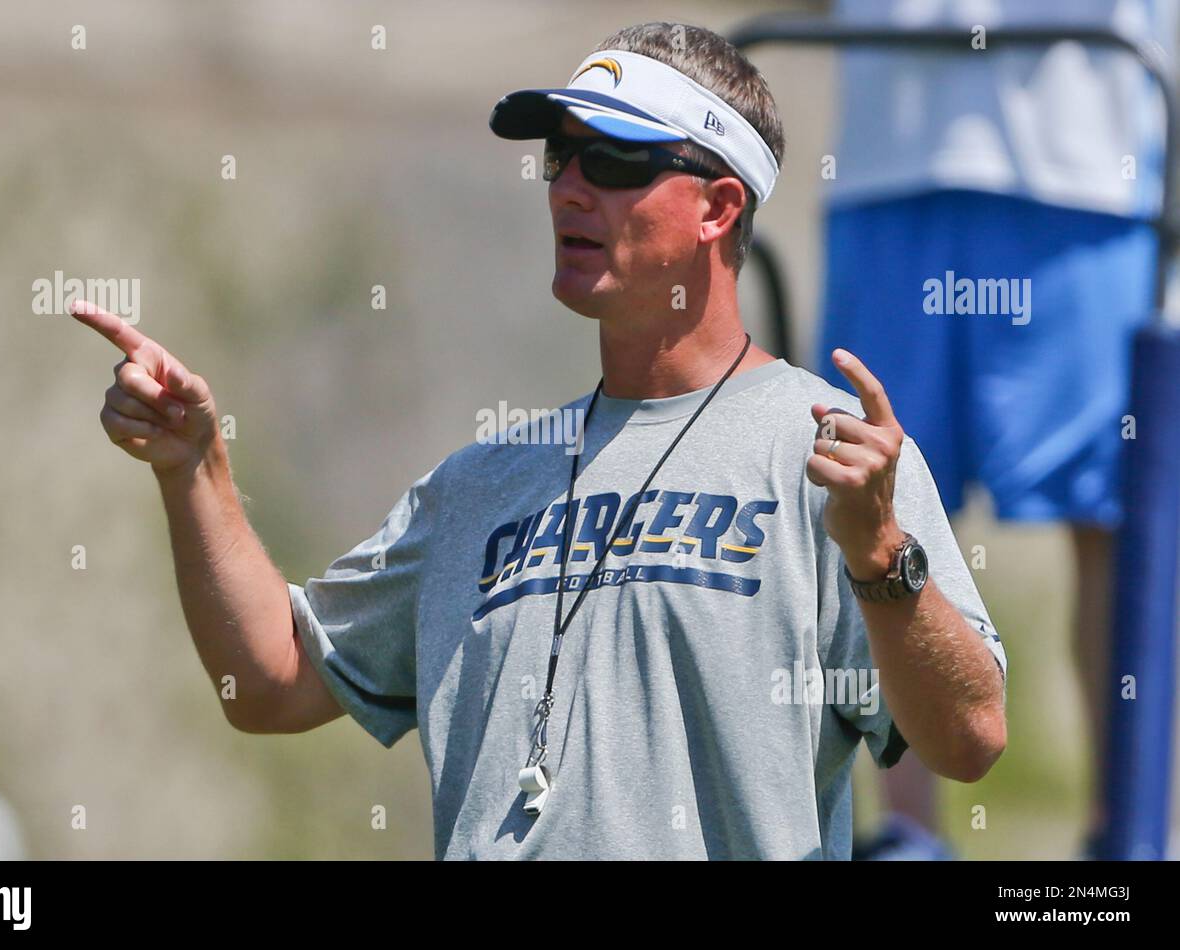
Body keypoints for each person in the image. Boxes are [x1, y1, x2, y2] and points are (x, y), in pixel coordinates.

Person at [71, 21, 1007, 860]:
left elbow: (968, 739)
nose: (567, 187)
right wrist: (194, 469)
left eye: (613, 162)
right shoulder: (478, 483)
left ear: (719, 208)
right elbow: (268, 684)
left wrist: (881, 553)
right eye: (560, 158)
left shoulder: (833, 459)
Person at [818, 0, 1173, 860]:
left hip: (1087, 154)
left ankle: (1132, 836)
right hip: (887, 151)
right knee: (871, 497)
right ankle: (906, 835)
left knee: (1118, 518)